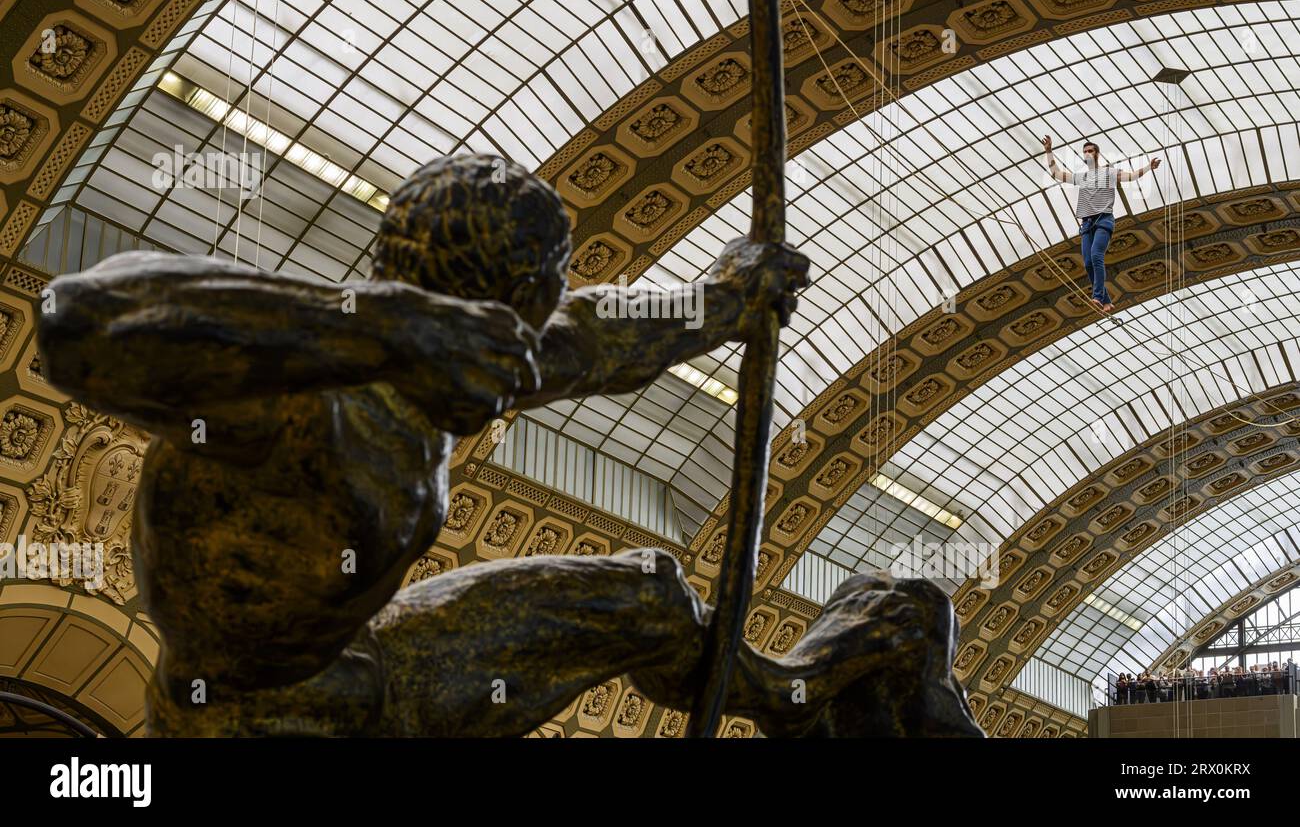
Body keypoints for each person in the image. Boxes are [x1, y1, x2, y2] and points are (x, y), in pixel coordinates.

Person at [36, 153, 981, 738]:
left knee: (646, 599)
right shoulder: (279, 397)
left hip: (370, 671)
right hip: (255, 723)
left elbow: (598, 340)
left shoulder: (471, 362)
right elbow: (79, 319)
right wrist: (384, 326)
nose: (537, 327)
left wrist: (727, 300)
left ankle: (791, 700)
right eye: (542, 294)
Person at [1041, 136, 1161, 313]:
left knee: (1096, 255)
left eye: (1091, 151)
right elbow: (1056, 174)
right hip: (1086, 224)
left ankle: (1097, 296)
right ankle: (1106, 302)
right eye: (1085, 151)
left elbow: (1131, 176)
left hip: (1103, 219)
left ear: (1097, 154)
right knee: (1088, 263)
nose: (1087, 153)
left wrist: (1149, 167)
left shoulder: (1109, 172)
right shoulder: (1081, 177)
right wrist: (1049, 151)